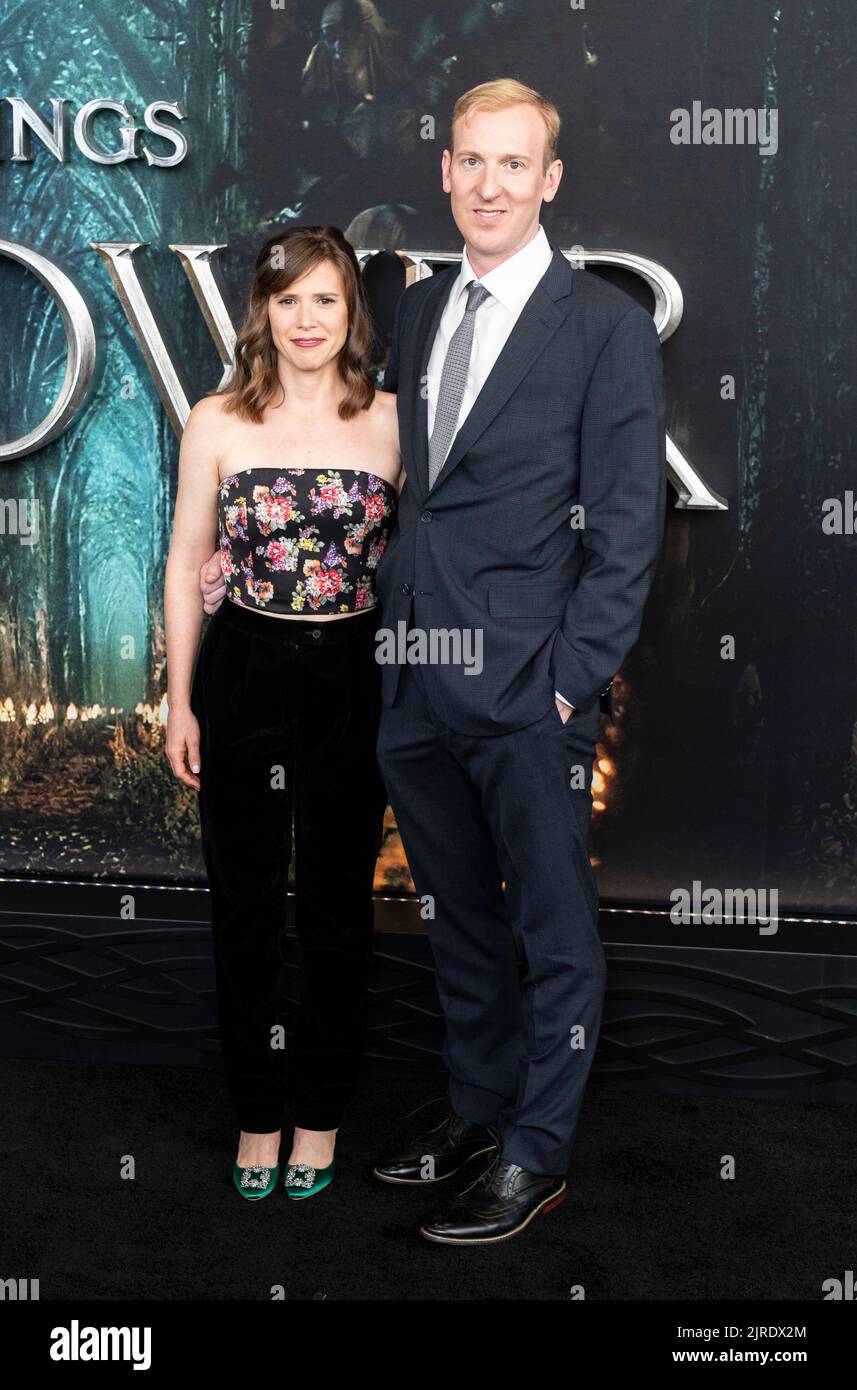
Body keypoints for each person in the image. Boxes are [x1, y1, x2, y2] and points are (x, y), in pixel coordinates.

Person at [201, 77, 666, 1245]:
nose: (489, 182)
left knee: (549, 933)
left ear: (548, 180)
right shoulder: (412, 308)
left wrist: (565, 681)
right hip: (406, 682)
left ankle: (535, 1154)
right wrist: (234, 569)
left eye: (513, 164)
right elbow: (386, 488)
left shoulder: (601, 327)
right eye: (470, 161)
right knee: (457, 916)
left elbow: (622, 533)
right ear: (446, 172)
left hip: (526, 695)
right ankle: (476, 1108)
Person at [164, 224, 400, 1201]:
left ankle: (319, 1116)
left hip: (354, 676)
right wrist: (180, 699)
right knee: (247, 905)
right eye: (286, 299)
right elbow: (185, 561)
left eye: (325, 300)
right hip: (244, 672)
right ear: (261, 310)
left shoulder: (393, 420)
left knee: (340, 907)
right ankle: (257, 1116)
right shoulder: (216, 420)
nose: (305, 319)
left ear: (351, 313)